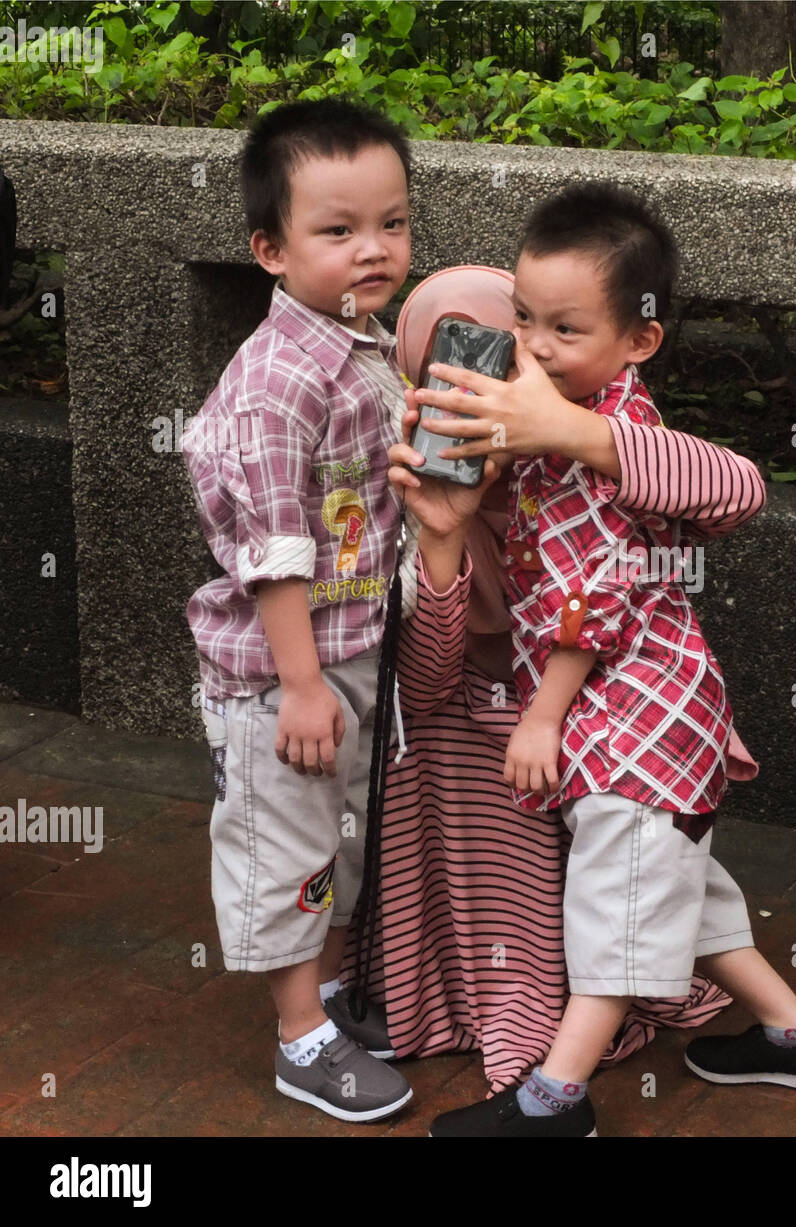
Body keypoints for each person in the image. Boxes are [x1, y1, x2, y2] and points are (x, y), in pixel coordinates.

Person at [419, 184, 796, 1138]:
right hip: (646, 722)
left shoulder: (610, 436)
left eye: (565, 329)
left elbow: (597, 594)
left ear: (639, 338)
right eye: (523, 319)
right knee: (679, 896)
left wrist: (541, 717)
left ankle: (555, 1101)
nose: (534, 347)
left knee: (613, 918)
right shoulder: (573, 419)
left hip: (633, 720)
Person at [354, 263, 772, 1104]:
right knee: (660, 880)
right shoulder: (414, 484)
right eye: (448, 379)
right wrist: (443, 535)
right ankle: (795, 1032)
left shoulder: (587, 455)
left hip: (606, 721)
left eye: (502, 369)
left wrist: (571, 433)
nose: (481, 397)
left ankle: (557, 1089)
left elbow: (741, 490)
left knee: (636, 888)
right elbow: (424, 688)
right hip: (491, 731)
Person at [182, 97, 419, 1123]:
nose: (373, 248)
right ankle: (299, 1036)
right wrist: (302, 684)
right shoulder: (280, 380)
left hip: (350, 647)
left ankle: (328, 994)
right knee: (285, 845)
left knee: (342, 840)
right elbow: (274, 548)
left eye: (393, 223)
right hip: (285, 670)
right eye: (338, 230)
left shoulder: (362, 341)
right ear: (270, 250)